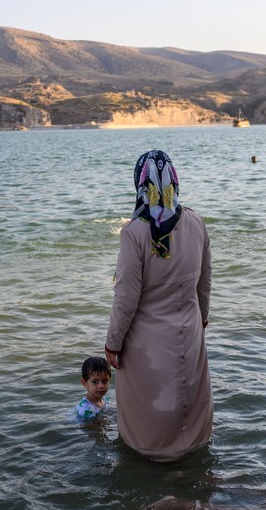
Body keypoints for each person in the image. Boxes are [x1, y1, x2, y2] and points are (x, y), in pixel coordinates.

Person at [105, 149, 212, 463]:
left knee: (150, 412)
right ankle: (191, 457)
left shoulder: (134, 232)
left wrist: (113, 343)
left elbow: (125, 297)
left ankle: (150, 462)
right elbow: (205, 282)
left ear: (141, 183)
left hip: (147, 344)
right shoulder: (196, 222)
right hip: (190, 331)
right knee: (189, 402)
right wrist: (202, 320)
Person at [73, 356, 111, 422]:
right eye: (95, 382)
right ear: (84, 383)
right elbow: (91, 428)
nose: (101, 386)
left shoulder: (105, 399)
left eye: (105, 381)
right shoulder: (86, 410)